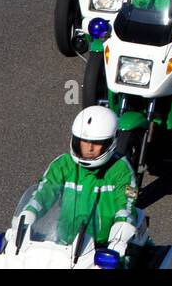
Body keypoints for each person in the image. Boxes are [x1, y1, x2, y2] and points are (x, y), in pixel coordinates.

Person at [19, 107, 139, 257]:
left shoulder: (121, 169)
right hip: (62, 244)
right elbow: (43, 194)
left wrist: (118, 239)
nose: (89, 148)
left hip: (102, 248)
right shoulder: (62, 164)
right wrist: (26, 217)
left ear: (111, 142)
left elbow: (126, 206)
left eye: (96, 143)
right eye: (84, 141)